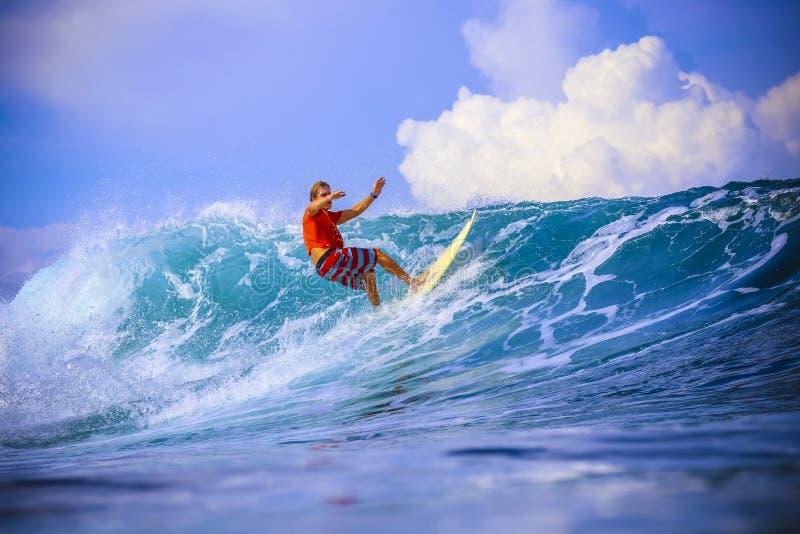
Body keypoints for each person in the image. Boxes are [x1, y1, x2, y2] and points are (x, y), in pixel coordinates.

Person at [302, 177, 427, 306]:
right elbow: (312, 207)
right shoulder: (311, 213)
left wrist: (373, 195)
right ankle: (414, 283)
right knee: (377, 255)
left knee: (368, 275)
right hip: (329, 258)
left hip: (325, 270)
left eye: (329, 193)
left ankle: (377, 310)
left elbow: (355, 211)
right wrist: (331, 197)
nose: (328, 197)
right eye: (324, 195)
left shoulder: (329, 217)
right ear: (313, 197)